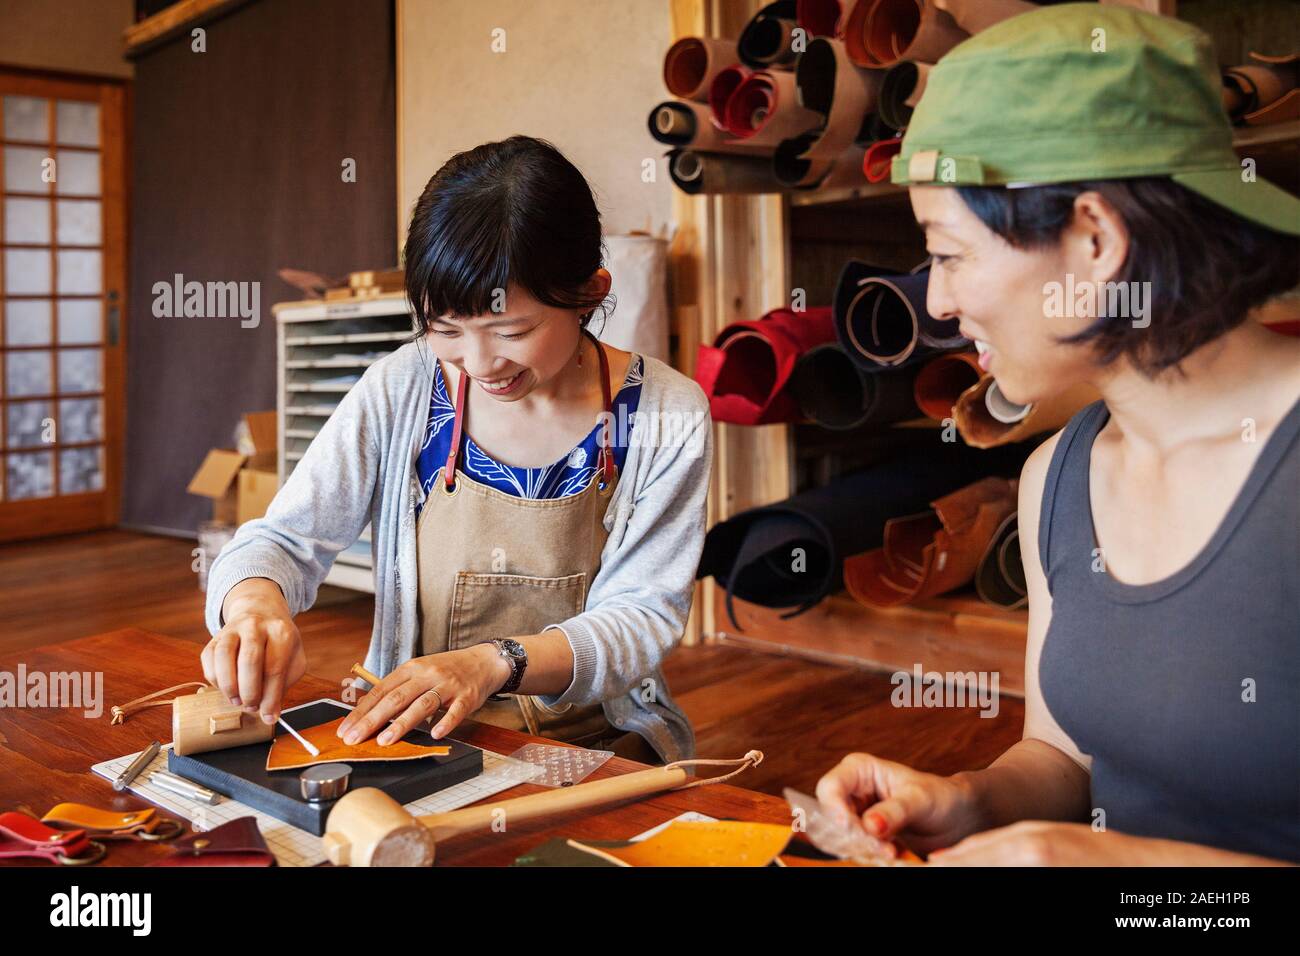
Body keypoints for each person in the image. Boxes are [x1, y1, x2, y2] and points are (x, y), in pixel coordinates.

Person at [817, 4, 1300, 864]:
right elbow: (1069, 755)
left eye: (952, 252)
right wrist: (968, 800)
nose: (936, 302)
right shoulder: (1055, 481)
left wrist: (1132, 868)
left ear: (1095, 238)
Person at [202, 136, 711, 764]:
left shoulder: (667, 411)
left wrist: (493, 663)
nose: (480, 365)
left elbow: (642, 615)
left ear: (591, 292)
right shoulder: (403, 387)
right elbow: (280, 542)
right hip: (417, 735)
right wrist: (254, 607)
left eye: (512, 331)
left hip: (594, 737)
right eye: (445, 330)